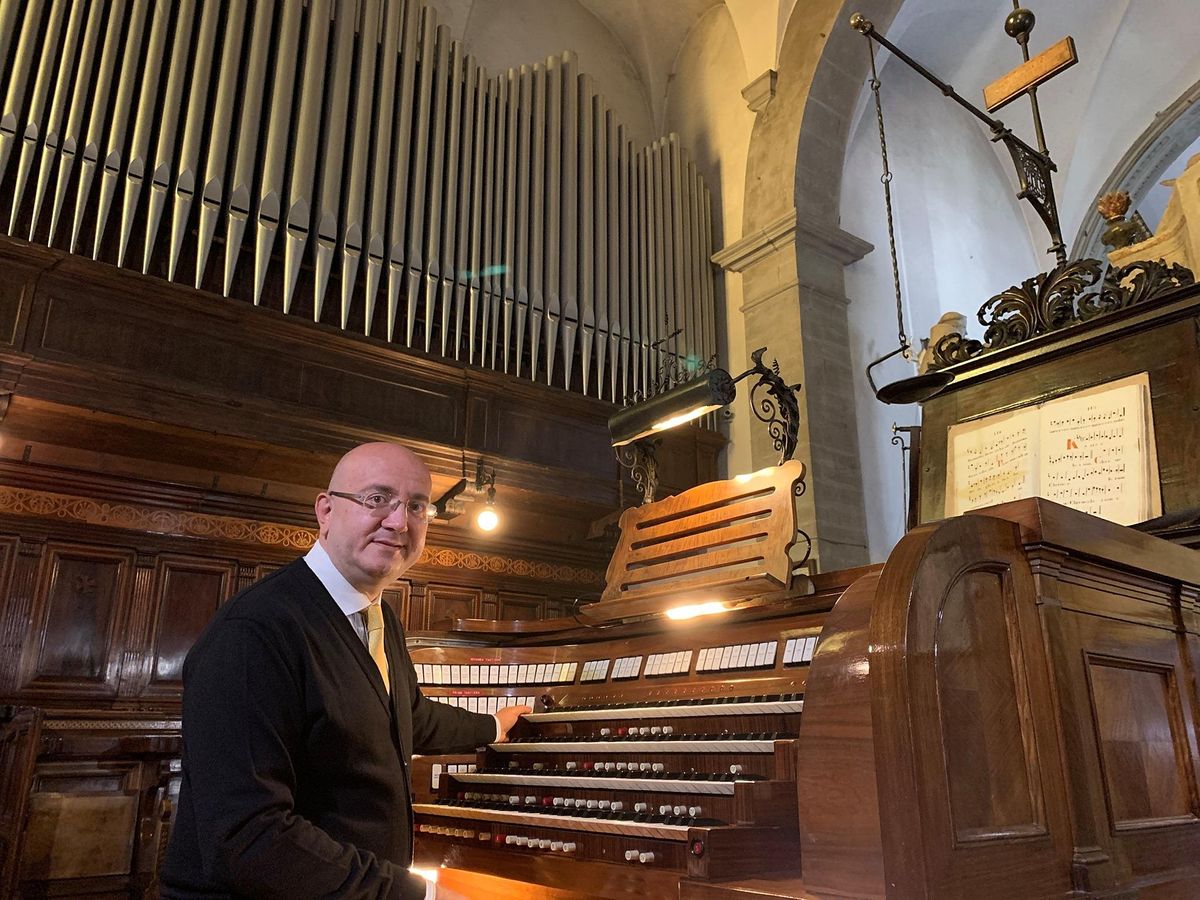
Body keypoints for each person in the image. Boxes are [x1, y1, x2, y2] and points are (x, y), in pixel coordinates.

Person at [161, 442, 530, 899]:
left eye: (417, 506)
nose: (399, 521)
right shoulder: (255, 632)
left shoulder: (378, 617)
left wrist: (497, 726)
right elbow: (251, 837)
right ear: (326, 510)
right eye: (377, 499)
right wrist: (421, 896)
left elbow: (407, 715)